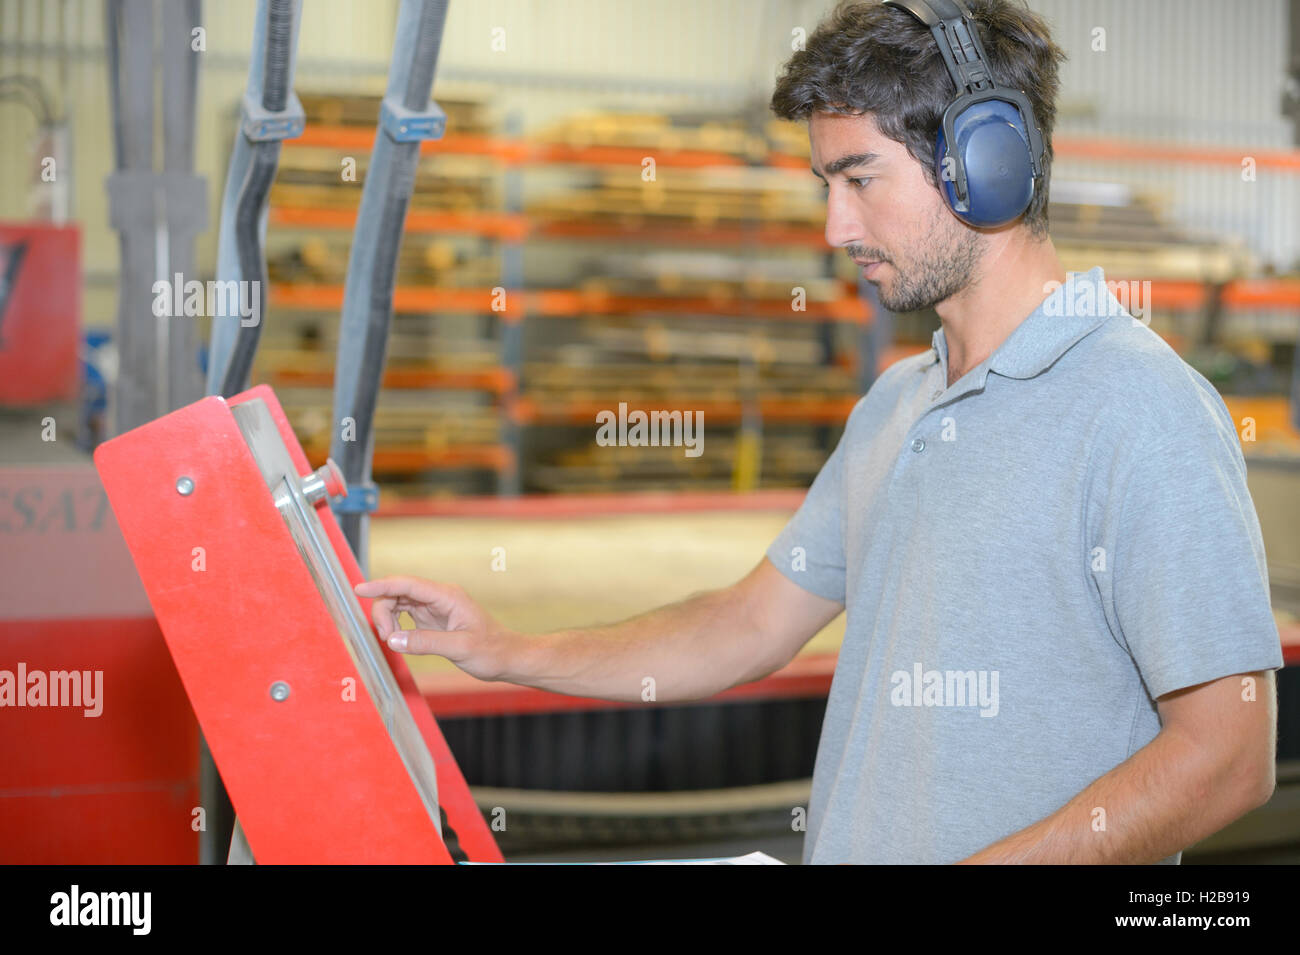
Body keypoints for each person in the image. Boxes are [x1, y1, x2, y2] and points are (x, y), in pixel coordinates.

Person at [356, 0, 1283, 864]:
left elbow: (1230, 754)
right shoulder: (896, 404)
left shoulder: (1141, 408)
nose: (836, 225)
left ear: (986, 161)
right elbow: (748, 624)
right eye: (825, 183)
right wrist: (508, 649)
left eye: (860, 177)